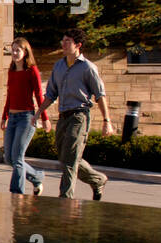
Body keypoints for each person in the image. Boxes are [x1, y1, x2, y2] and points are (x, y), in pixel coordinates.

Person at [36, 29, 113, 200]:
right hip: (63, 116)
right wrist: (39, 113)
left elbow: (100, 95)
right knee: (65, 158)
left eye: (67, 41)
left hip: (79, 116)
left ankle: (65, 198)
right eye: (62, 40)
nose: (63, 44)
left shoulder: (88, 67)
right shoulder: (59, 66)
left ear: (78, 45)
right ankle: (98, 179)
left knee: (70, 158)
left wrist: (107, 121)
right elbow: (50, 94)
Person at [0, 37, 49, 196]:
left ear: (25, 52)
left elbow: (39, 96)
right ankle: (37, 177)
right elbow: (10, 95)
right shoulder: (12, 70)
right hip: (12, 118)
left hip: (26, 118)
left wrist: (44, 118)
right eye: (13, 50)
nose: (14, 53)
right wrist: (4, 116)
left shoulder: (31, 71)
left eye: (18, 50)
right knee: (9, 158)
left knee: (18, 157)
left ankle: (16, 193)